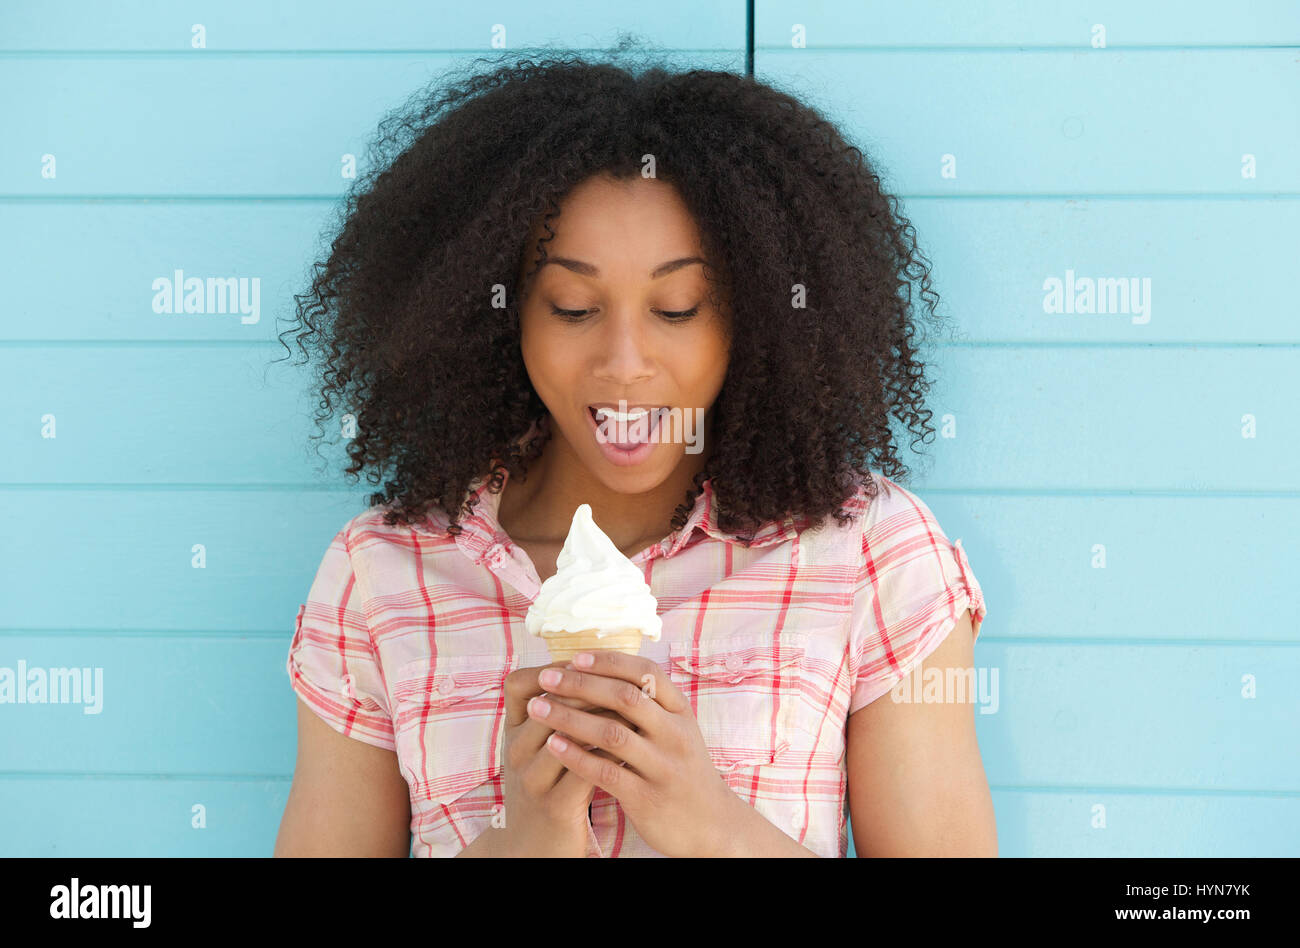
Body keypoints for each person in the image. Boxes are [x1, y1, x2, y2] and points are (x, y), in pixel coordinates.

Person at [272, 39, 996, 858]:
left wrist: (712, 826)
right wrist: (521, 842)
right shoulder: (380, 575)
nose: (623, 363)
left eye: (679, 307)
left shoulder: (872, 554)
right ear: (501, 314)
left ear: (755, 312)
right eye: (574, 307)